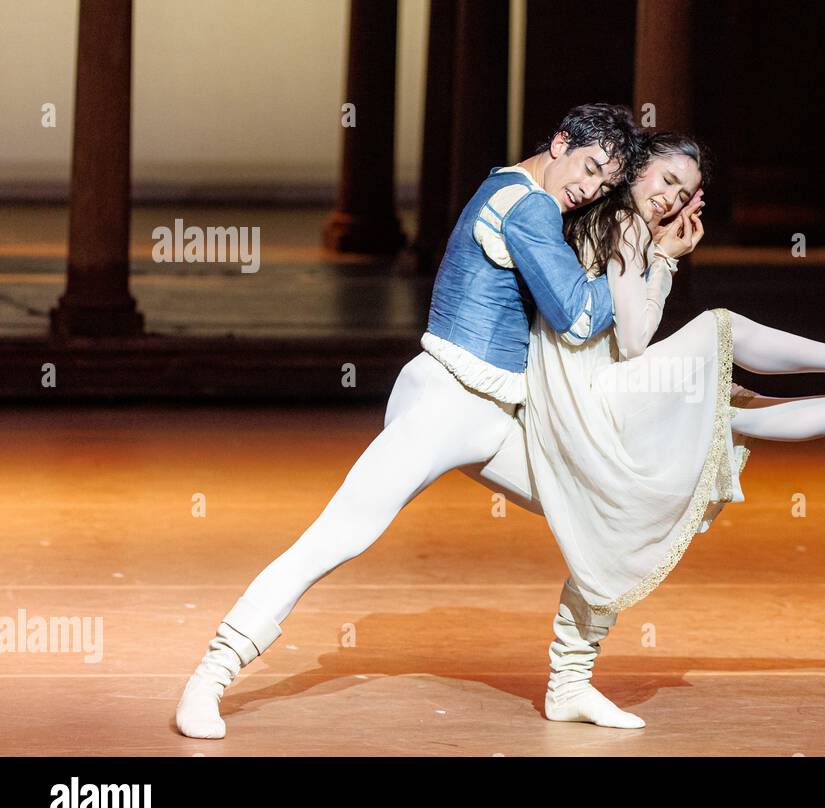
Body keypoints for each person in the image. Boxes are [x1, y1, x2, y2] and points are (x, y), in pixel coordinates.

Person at [173, 104, 694, 739]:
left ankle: (571, 684)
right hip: (448, 402)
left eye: (605, 186)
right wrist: (643, 261)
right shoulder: (527, 205)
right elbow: (581, 319)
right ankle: (209, 677)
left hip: (492, 415)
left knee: (602, 512)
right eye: (588, 170)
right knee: (339, 536)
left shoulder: (512, 185)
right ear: (559, 143)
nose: (589, 191)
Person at [470, 131, 825, 729]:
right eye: (666, 182)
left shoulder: (622, 224)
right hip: (593, 399)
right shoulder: (619, 223)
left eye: (687, 193)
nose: (672, 199)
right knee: (722, 334)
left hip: (606, 386)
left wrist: (661, 254)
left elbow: (626, 340)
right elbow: (636, 338)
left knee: (741, 413)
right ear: (635, 174)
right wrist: (666, 259)